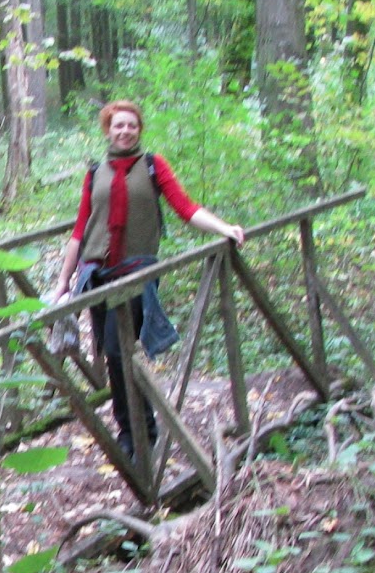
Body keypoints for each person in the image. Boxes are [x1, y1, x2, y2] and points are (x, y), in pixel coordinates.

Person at [50, 99, 245, 459]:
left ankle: (143, 432)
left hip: (137, 271)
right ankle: (130, 431)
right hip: (96, 275)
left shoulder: (153, 166)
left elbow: (185, 208)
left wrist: (224, 228)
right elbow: (81, 229)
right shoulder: (95, 174)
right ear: (107, 130)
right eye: (118, 125)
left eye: (131, 126)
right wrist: (64, 281)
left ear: (139, 130)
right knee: (112, 356)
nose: (125, 131)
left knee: (120, 349)